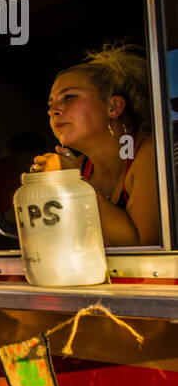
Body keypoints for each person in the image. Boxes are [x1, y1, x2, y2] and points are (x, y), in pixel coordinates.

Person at [33, 44, 161, 247]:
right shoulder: (80, 165)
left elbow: (142, 247)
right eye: (51, 103)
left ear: (113, 107)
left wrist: (74, 182)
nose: (53, 110)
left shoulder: (151, 153)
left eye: (69, 97)